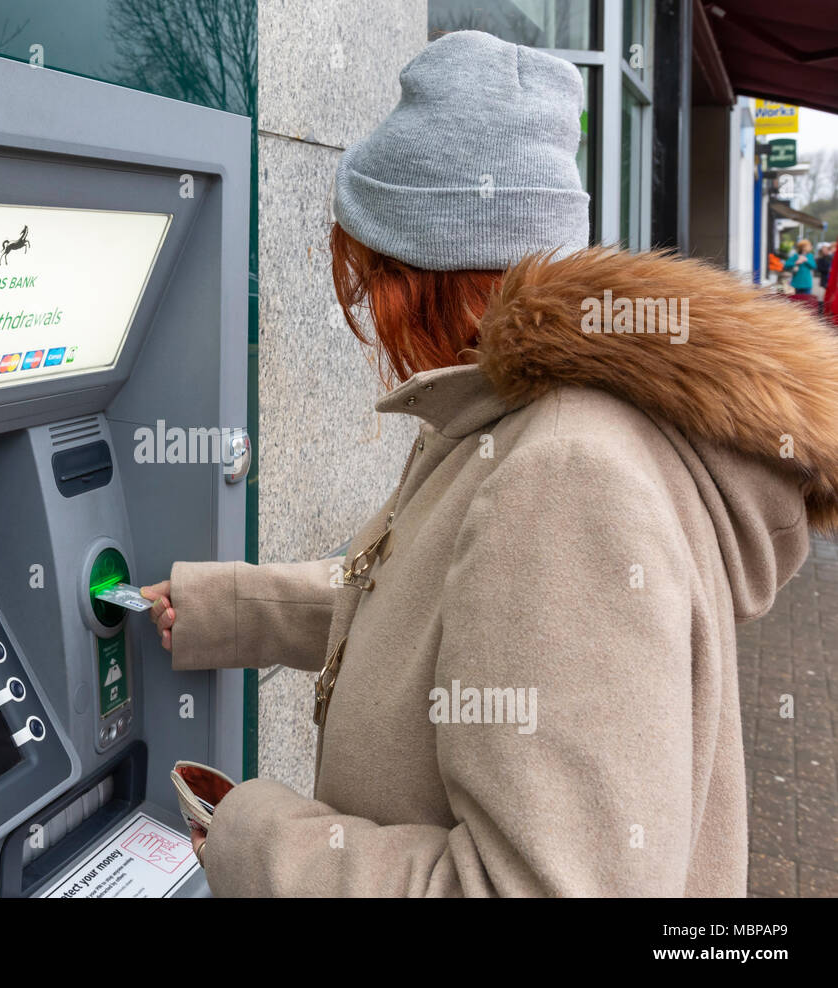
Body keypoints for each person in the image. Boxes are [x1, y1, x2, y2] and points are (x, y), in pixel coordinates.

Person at [140, 30, 838, 897]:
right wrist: (231, 609)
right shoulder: (539, 422)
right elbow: (441, 610)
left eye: (367, 281)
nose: (368, 319)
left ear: (416, 278)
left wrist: (261, 843)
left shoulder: (564, 476)